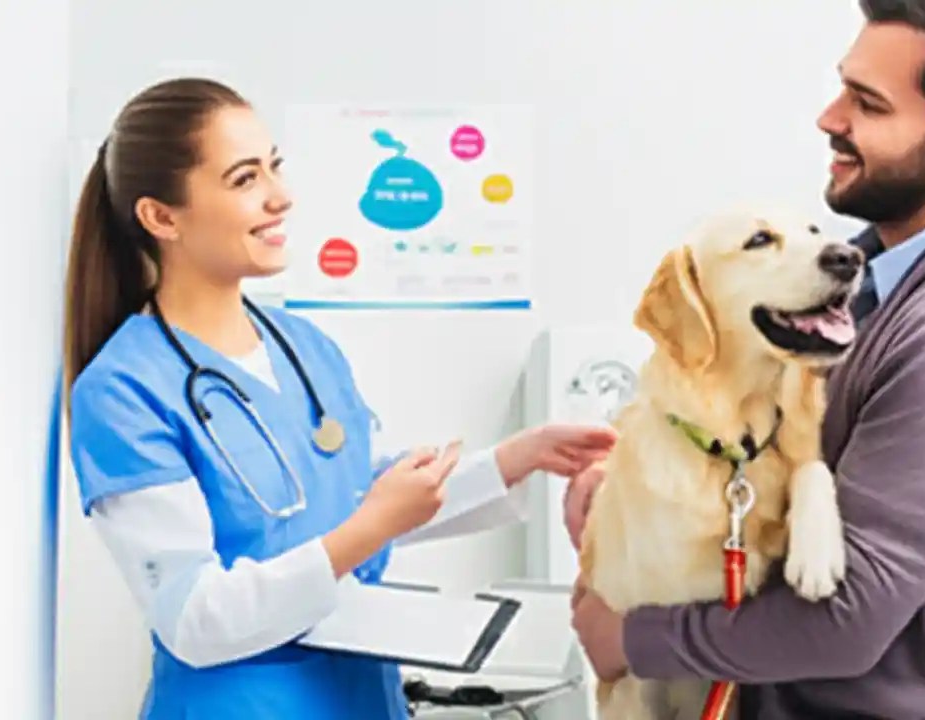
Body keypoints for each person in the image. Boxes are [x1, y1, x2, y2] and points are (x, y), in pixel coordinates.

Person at [569, 1, 925, 717]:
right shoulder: (861, 282)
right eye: (844, 87)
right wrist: (635, 512)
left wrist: (630, 638)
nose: (830, 117)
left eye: (867, 103)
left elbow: (848, 619)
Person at [61, 77, 616, 720]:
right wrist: (372, 525)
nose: (280, 197)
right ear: (161, 217)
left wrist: (518, 459)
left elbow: (355, 498)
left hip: (359, 697)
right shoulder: (125, 390)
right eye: (244, 180)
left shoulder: (304, 348)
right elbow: (195, 616)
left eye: (275, 167)